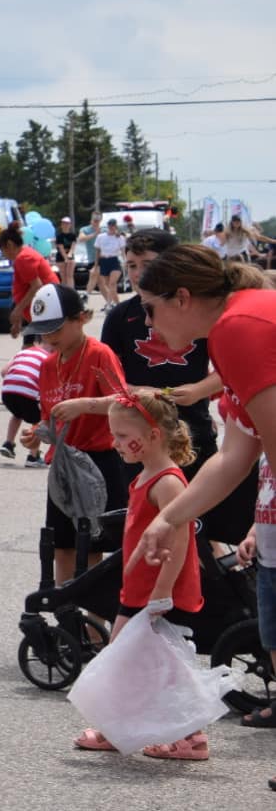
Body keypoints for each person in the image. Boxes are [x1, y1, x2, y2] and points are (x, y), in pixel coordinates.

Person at [73, 390, 209, 760]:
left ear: (153, 436)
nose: (115, 443)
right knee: (123, 660)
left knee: (161, 665)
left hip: (159, 592)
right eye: (113, 435)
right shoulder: (146, 476)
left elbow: (179, 538)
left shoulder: (168, 482)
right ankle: (118, 729)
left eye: (121, 435)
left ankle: (191, 737)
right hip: (139, 589)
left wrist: (162, 591)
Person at [101, 229, 257, 546]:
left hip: (193, 425)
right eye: (131, 265)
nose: (147, 322)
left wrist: (198, 390)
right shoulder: (121, 317)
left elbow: (232, 373)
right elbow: (107, 375)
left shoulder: (225, 325)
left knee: (205, 530)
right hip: (142, 430)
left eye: (147, 264)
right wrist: (136, 392)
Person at [134, 247, 275, 585]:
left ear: (181, 298)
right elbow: (232, 457)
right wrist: (169, 519)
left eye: (149, 309)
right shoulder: (237, 321)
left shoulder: (237, 326)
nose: (147, 322)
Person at [21, 283, 129, 584]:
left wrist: (85, 405)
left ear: (81, 318)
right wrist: (36, 433)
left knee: (91, 545)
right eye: (43, 331)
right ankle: (65, 605)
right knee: (62, 545)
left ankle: (93, 612)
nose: (49, 338)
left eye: (56, 329)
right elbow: (50, 416)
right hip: (63, 465)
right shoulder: (48, 365)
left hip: (99, 462)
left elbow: (124, 402)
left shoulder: (99, 354)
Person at [233, 456, 276, 731]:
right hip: (268, 559)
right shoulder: (264, 456)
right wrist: (252, 535)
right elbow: (265, 501)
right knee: (271, 638)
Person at [0, 225, 58, 344]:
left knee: (45, 348)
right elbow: (24, 289)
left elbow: (37, 286)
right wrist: (18, 320)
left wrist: (18, 310)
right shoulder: (25, 253)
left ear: (10, 244)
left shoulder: (23, 258)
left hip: (44, 309)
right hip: (36, 309)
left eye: (2, 250)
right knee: (30, 346)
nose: (3, 254)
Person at [0, 342, 51, 466]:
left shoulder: (23, 352)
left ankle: (8, 443)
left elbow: (4, 372)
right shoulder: (49, 359)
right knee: (38, 421)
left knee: (17, 414)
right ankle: (33, 457)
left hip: (7, 392)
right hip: (28, 393)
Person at [93, 218, 126, 309]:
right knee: (109, 285)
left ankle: (108, 304)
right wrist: (96, 265)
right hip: (104, 261)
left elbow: (123, 251)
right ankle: (118, 305)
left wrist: (125, 261)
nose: (111, 227)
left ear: (116, 226)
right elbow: (97, 251)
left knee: (112, 283)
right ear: (108, 226)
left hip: (114, 260)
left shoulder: (120, 237)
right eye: (110, 225)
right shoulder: (101, 237)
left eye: (113, 225)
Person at [77, 212, 103, 294]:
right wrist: (95, 234)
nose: (96, 222)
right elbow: (81, 239)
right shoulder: (85, 229)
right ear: (91, 220)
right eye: (94, 220)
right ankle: (87, 295)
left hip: (103, 258)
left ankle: (86, 295)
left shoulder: (104, 230)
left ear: (100, 220)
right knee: (100, 282)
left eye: (97, 221)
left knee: (96, 279)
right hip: (92, 259)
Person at [55, 216, 79, 288]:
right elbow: (61, 248)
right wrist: (65, 258)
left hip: (70, 256)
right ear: (61, 225)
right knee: (63, 276)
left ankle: (71, 291)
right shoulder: (59, 236)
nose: (65, 225)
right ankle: (64, 292)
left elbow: (73, 246)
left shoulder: (73, 235)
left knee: (70, 276)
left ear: (70, 225)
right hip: (60, 257)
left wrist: (69, 255)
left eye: (67, 223)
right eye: (64, 223)